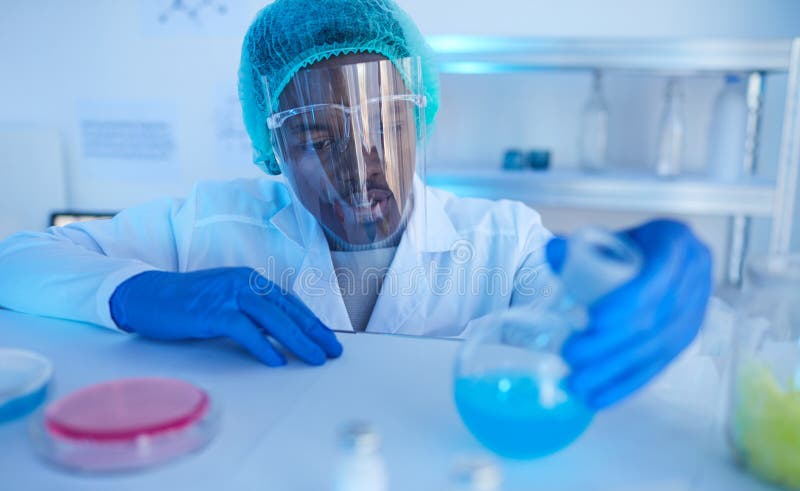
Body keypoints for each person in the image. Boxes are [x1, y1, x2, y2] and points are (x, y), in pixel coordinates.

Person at [0, 0, 711, 409]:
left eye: (384, 124)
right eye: (315, 136)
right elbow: (15, 262)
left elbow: (579, 313)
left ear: (421, 116)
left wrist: (634, 281)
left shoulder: (501, 240)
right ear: (271, 150)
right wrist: (137, 291)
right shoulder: (214, 226)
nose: (360, 165)